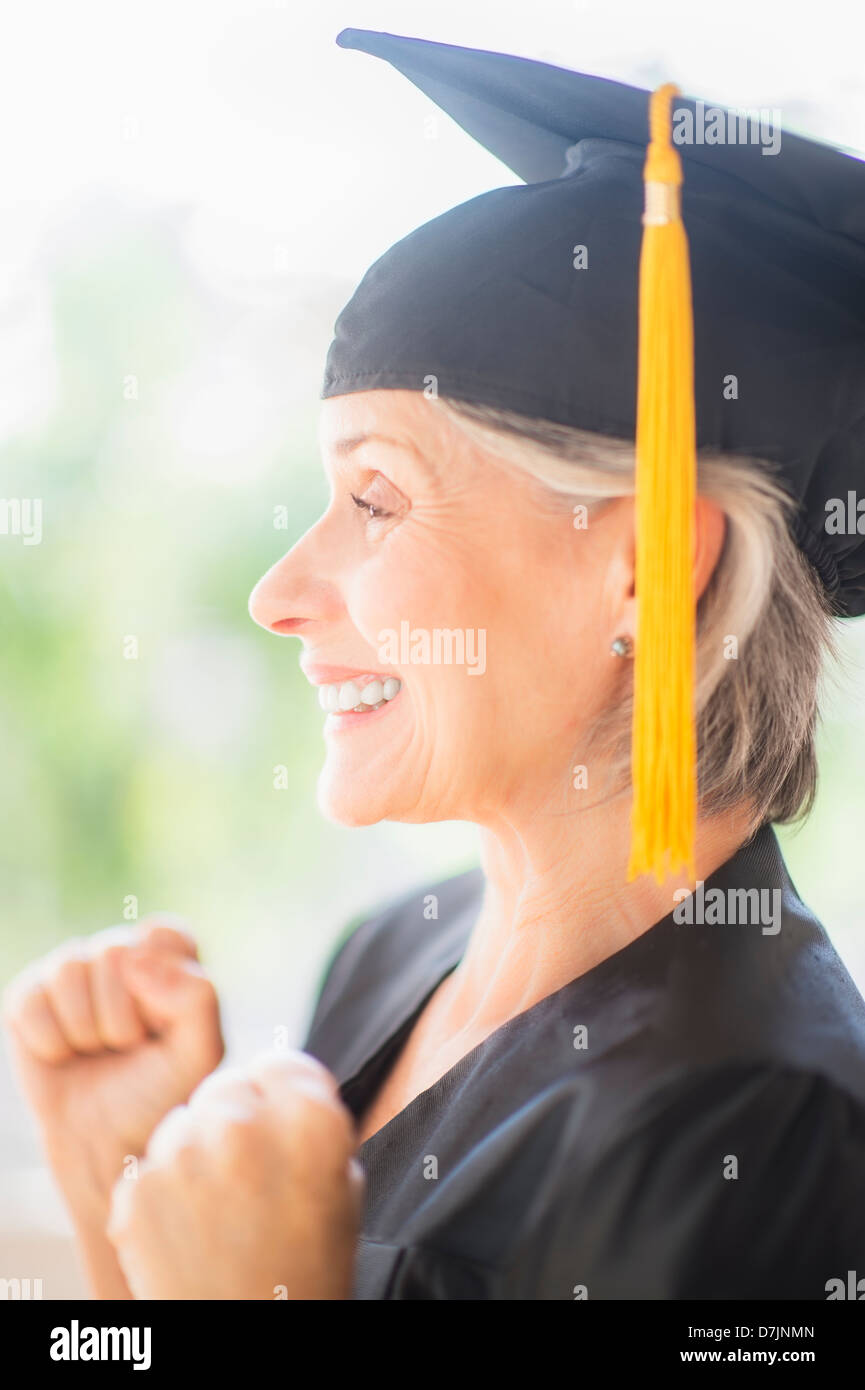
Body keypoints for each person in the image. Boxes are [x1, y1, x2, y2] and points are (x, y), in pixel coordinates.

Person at [4, 29, 865, 1300]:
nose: (277, 593)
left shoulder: (764, 1137)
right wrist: (118, 1195)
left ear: (641, 568)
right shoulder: (397, 950)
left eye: (377, 499)